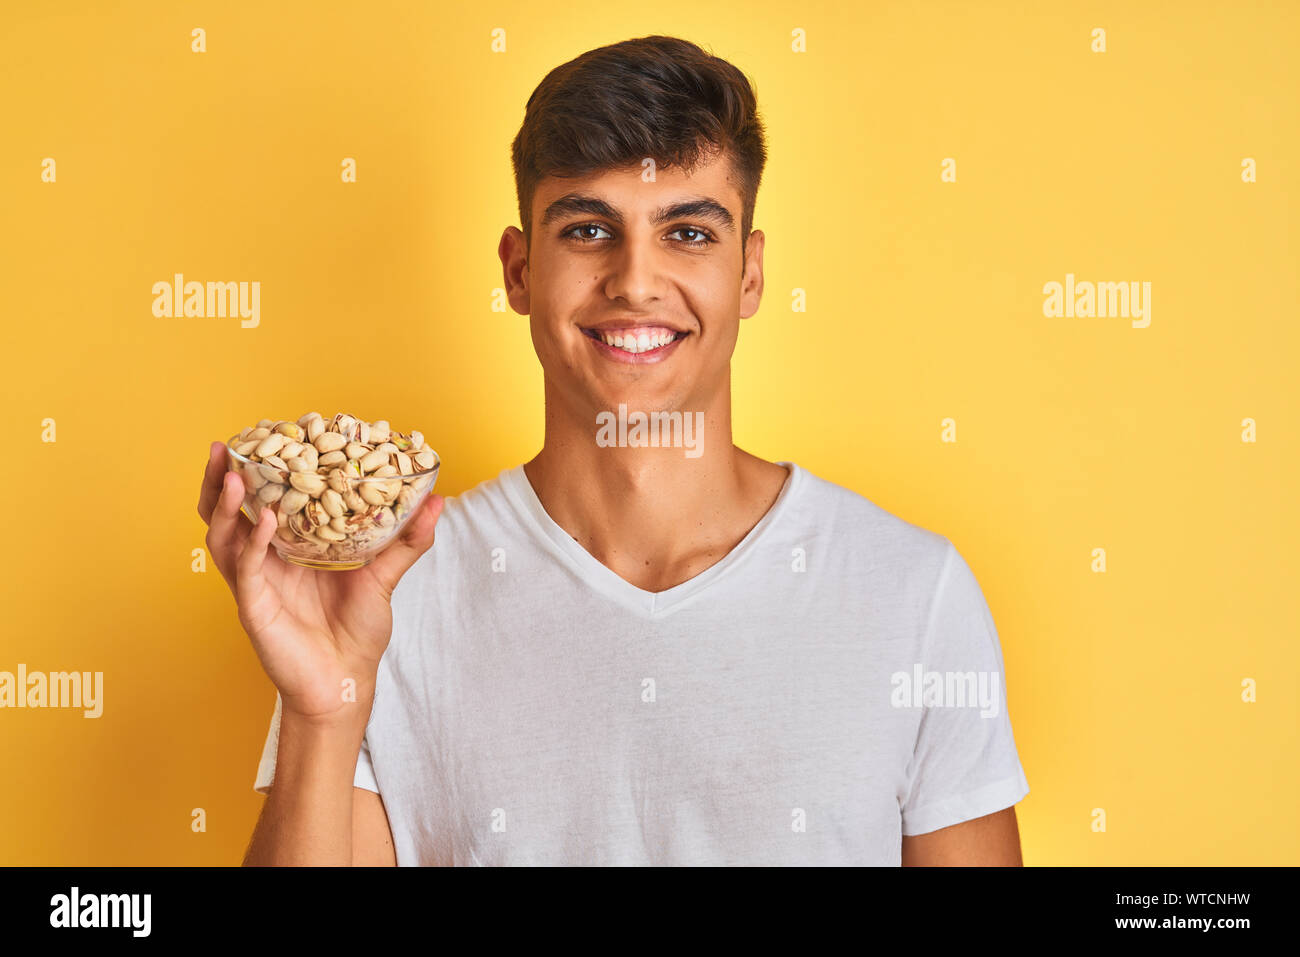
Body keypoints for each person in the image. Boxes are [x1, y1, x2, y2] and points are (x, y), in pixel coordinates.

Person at [197, 35, 1029, 866]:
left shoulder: (913, 595)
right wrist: (321, 713)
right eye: (590, 229)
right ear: (519, 272)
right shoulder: (392, 602)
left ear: (750, 274)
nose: (635, 280)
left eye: (690, 233)